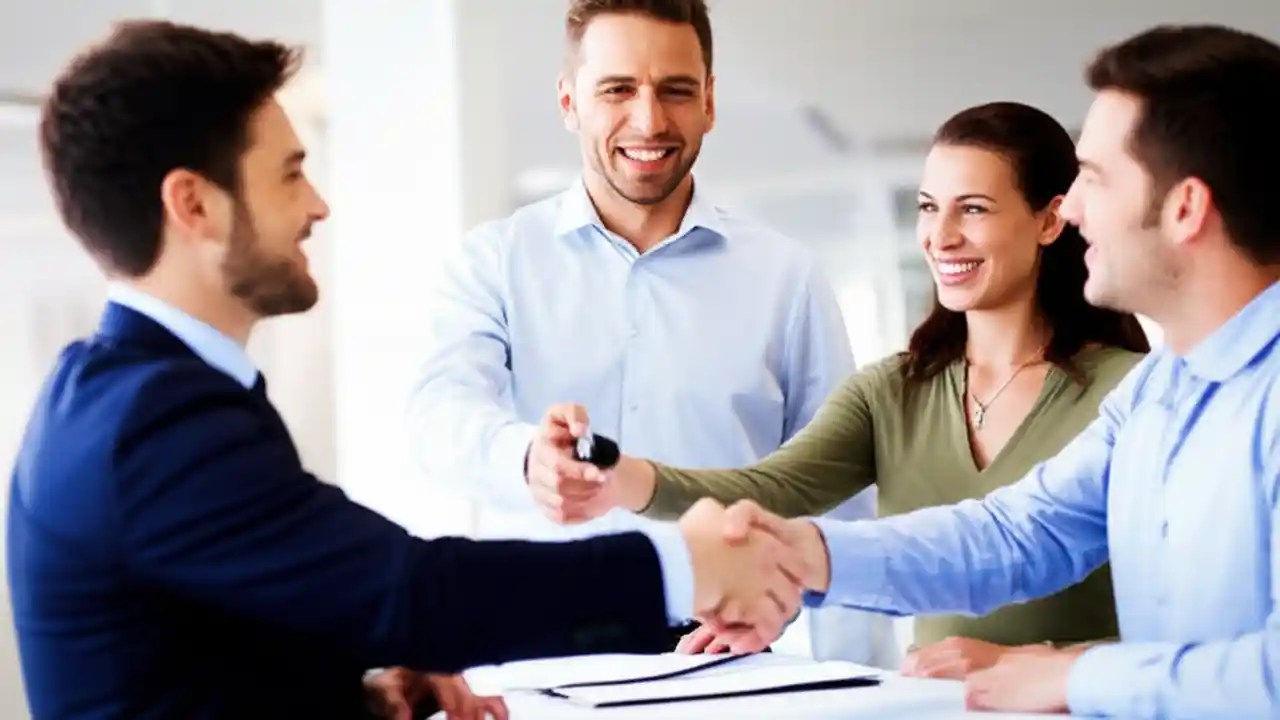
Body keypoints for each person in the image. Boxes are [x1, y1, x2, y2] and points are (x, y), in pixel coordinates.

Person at [4, 20, 808, 720]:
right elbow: (414, 591)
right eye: (289, 172)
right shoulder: (156, 422)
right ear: (195, 205)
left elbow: (223, 638)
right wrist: (681, 564)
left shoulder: (119, 392)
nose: (318, 204)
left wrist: (356, 694)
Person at [712, 23, 1280, 718]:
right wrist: (806, 554)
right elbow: (1018, 535)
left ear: (1186, 208)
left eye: (1093, 179)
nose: (1069, 209)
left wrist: (1072, 675)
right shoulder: (1158, 395)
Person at [540, 101, 1152, 673]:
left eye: (973, 209)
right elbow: (773, 489)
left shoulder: (1131, 394)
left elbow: (1180, 623)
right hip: (931, 707)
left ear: (1049, 220)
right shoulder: (892, 391)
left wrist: (1028, 661)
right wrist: (619, 477)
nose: (940, 237)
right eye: (927, 207)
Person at [407, 0, 860, 650]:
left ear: (708, 101)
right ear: (569, 102)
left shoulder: (787, 278)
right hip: (541, 658)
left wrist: (852, 680)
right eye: (617, 89)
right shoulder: (496, 262)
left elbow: (839, 499)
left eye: (675, 90)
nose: (648, 120)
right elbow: (437, 418)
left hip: (733, 661)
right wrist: (524, 458)